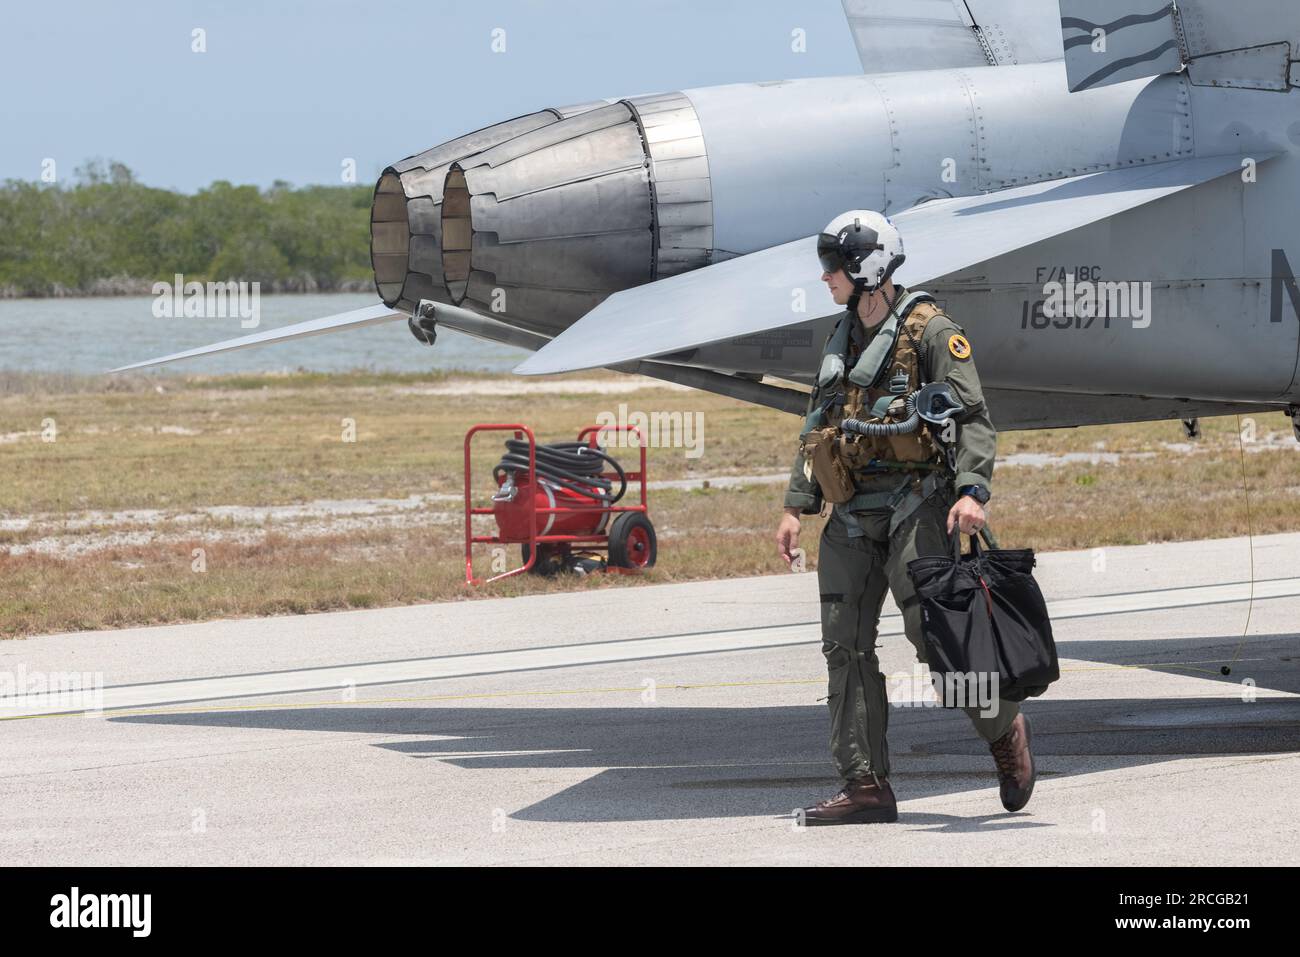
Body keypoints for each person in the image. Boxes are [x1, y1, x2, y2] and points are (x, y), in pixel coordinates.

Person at [776, 210, 1035, 825]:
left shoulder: (932, 332)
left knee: (938, 642)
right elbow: (819, 424)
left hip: (915, 506)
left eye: (833, 266)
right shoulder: (840, 336)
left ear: (868, 267)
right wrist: (794, 505)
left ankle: (1005, 733)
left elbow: (973, 418)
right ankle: (865, 785)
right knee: (844, 649)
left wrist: (972, 491)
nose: (825, 278)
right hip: (849, 516)